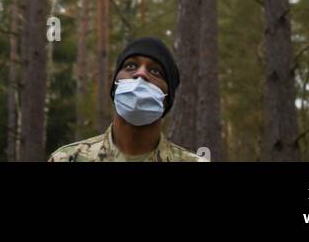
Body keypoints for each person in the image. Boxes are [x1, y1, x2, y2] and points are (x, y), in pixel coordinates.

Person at [48, 38, 198, 162]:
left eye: (155, 71)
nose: (140, 74)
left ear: (168, 96)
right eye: (130, 66)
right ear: (115, 86)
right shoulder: (67, 159)